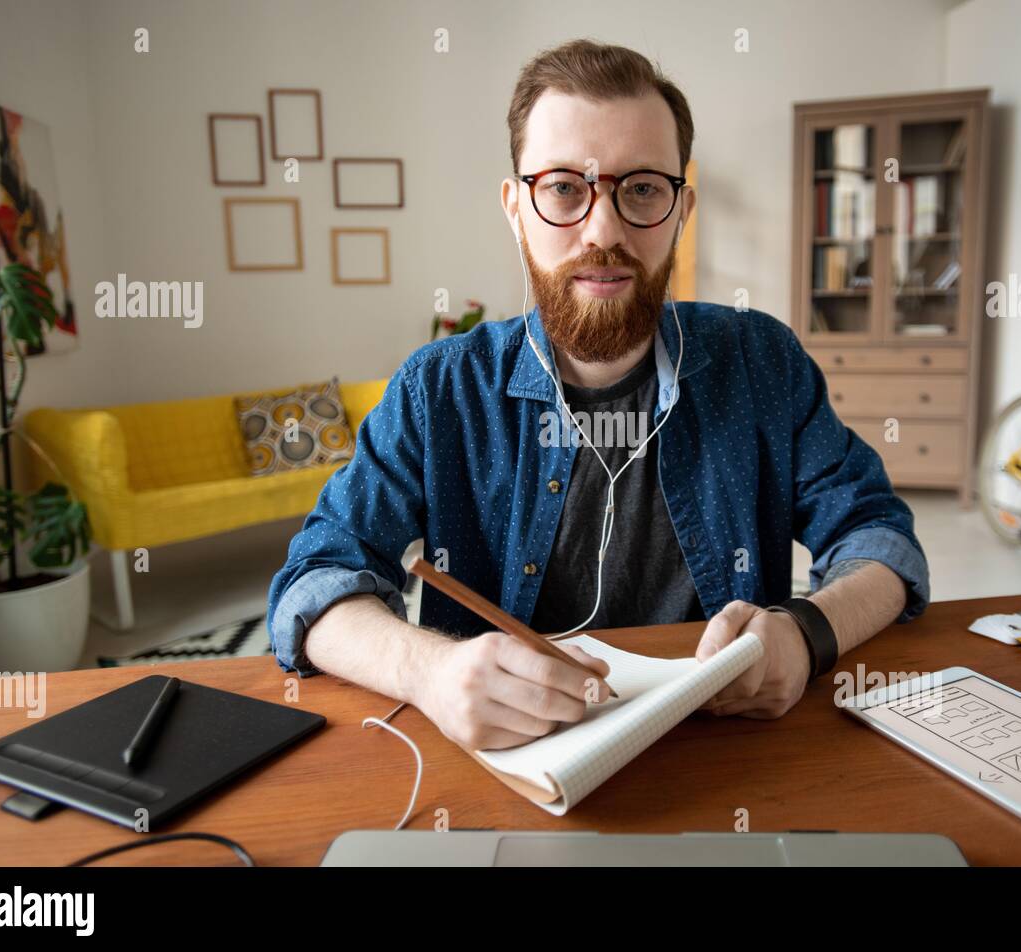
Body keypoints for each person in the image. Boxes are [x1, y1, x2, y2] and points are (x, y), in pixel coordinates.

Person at [267, 39, 929, 751]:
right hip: (507, 777)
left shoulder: (762, 361)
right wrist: (430, 670)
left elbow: (881, 540)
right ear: (516, 207)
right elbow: (315, 579)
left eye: (642, 188)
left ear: (681, 208)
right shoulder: (439, 390)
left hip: (733, 762)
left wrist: (806, 633)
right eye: (563, 189)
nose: (604, 230)